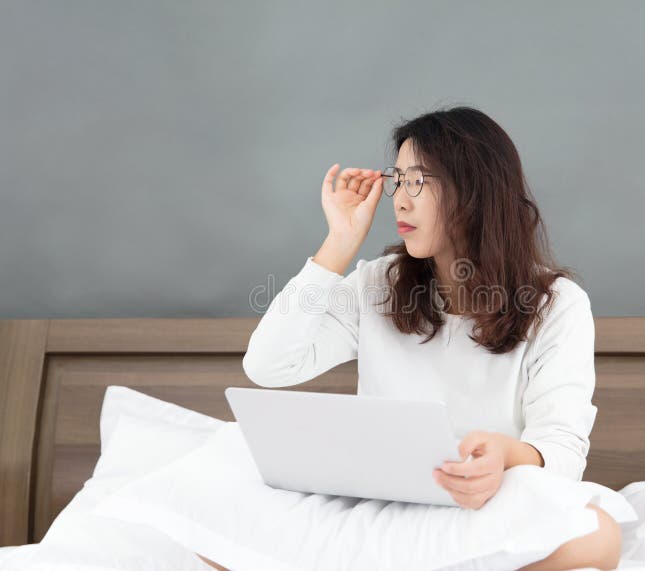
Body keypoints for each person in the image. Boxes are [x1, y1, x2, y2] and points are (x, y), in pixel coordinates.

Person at [198, 106, 621, 571]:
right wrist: (338, 243)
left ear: (476, 191)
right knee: (211, 523)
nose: (399, 200)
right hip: (378, 510)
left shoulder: (557, 304)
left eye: (418, 182)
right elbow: (269, 365)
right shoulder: (378, 284)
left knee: (598, 535)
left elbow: (561, 452)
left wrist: (504, 456)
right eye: (397, 181)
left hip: (483, 509)